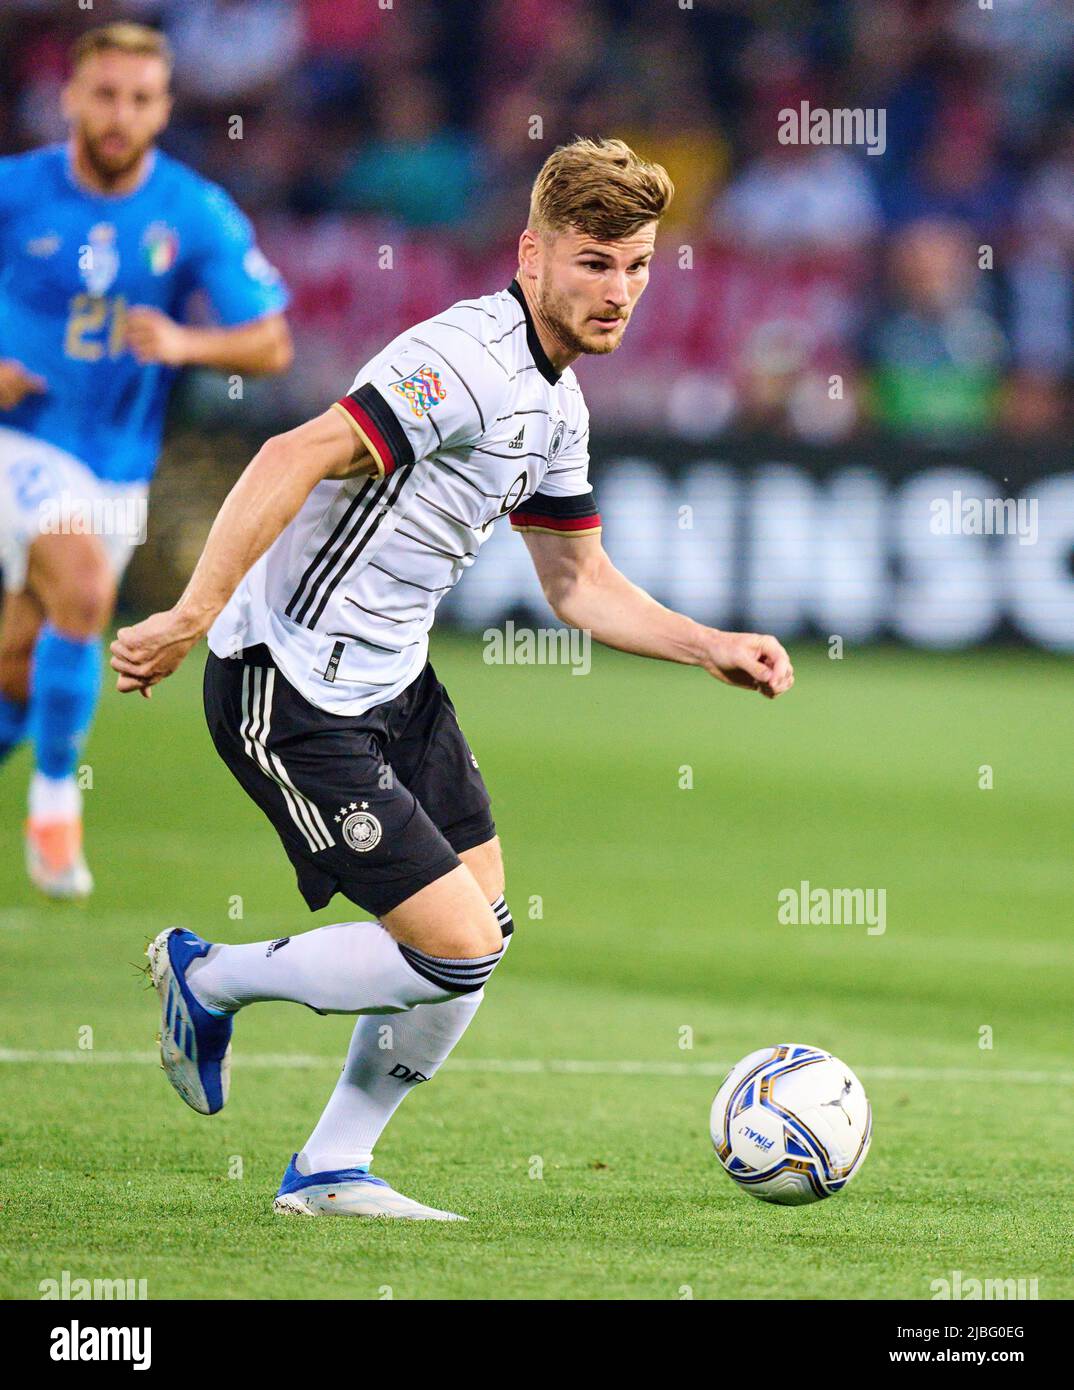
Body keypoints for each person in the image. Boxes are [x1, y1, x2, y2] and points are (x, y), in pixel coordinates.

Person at [110, 137, 794, 1221]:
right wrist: (193, 613)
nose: (619, 291)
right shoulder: (462, 361)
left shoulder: (558, 402)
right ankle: (209, 975)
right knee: (455, 951)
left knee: (484, 925)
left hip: (395, 681)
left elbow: (577, 581)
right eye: (594, 263)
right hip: (288, 684)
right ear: (532, 255)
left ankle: (332, 1169)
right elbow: (291, 452)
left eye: (638, 266)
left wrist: (708, 642)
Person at [0, 22, 292, 897]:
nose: (119, 113)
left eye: (139, 98)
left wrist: (184, 343)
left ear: (164, 108)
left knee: (18, 659)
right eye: (104, 94)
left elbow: (271, 344)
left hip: (116, 466)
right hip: (19, 442)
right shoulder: (15, 192)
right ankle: (56, 808)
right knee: (86, 590)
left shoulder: (192, 210)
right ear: (71, 99)